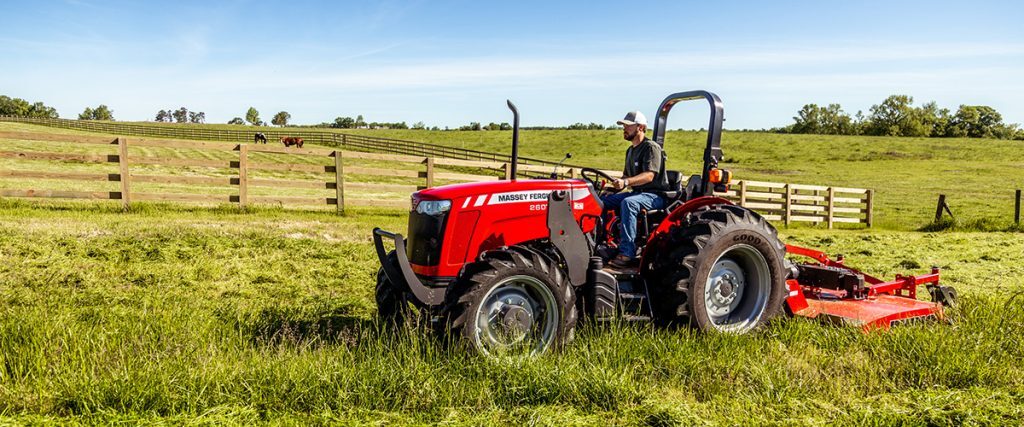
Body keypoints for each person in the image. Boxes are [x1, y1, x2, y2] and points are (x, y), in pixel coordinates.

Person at [601, 110, 670, 269]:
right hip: (637, 193)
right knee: (602, 201)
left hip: (655, 195)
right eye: (623, 126)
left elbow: (648, 176)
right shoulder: (630, 150)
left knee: (628, 203)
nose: (624, 129)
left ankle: (627, 252)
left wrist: (626, 183)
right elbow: (626, 176)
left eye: (628, 126)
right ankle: (604, 243)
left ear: (640, 127)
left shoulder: (651, 148)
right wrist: (613, 188)